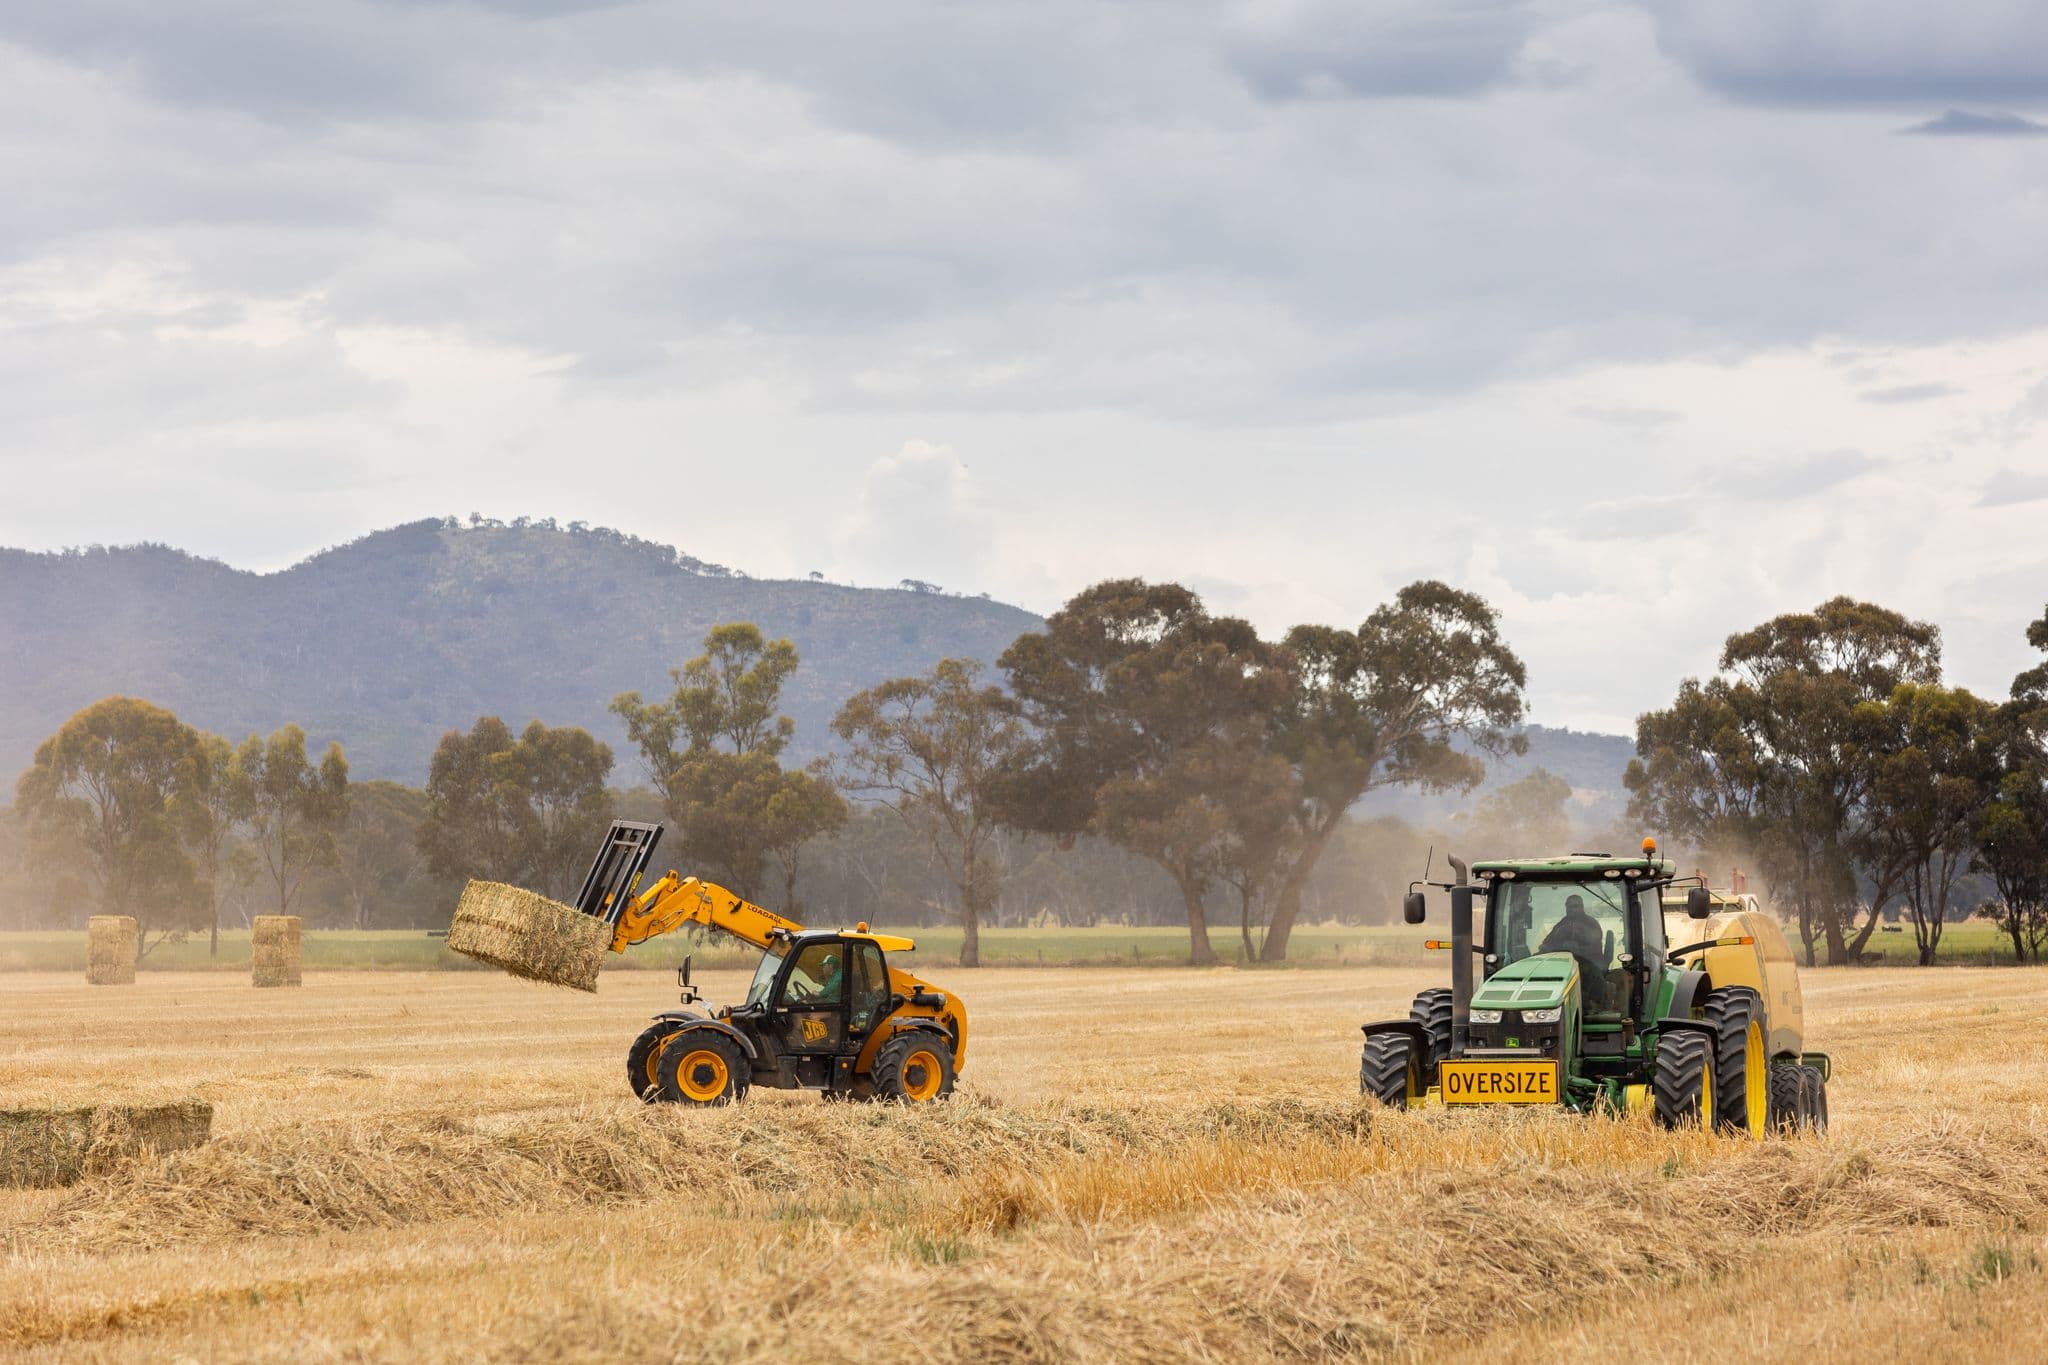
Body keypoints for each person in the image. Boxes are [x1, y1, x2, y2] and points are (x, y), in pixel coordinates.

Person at [1537, 894, 1611, 1009]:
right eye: (1569, 906)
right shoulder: (1562, 923)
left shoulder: (1591, 923)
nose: (1572, 909)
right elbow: (1547, 943)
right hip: (1564, 962)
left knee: (1592, 977)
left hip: (1588, 960)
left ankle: (1593, 1004)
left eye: (1576, 906)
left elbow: (1594, 941)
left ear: (1582, 907)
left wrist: (1578, 942)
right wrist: (1555, 945)